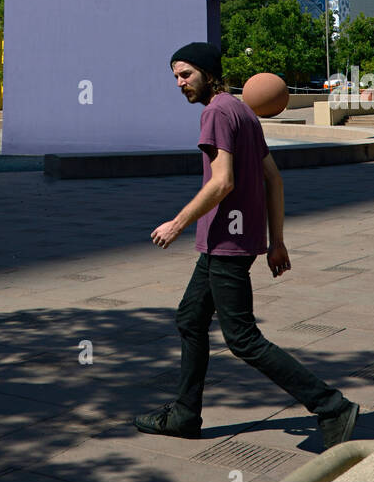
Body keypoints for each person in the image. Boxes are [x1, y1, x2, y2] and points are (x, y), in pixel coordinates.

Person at [132, 41, 358, 450]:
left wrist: (177, 223)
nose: (179, 83)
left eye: (185, 74)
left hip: (226, 243)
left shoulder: (216, 113)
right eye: (175, 76)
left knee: (243, 339)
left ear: (206, 72)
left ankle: (331, 406)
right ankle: (185, 414)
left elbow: (223, 182)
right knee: (190, 318)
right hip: (231, 241)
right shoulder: (242, 111)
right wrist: (277, 243)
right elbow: (275, 178)